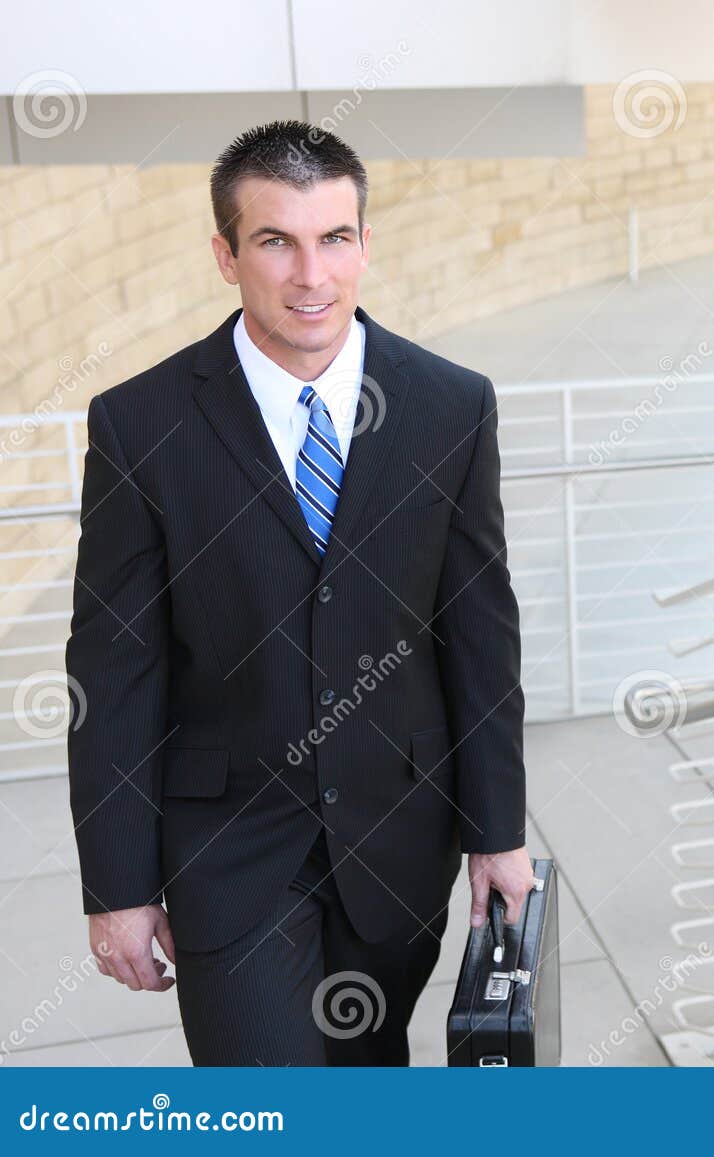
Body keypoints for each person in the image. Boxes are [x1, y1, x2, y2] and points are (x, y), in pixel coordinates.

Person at [64, 121, 534, 1066]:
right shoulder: (140, 423)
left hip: (398, 839)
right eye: (276, 241)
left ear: (366, 243)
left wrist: (497, 831)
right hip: (229, 850)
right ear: (226, 256)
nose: (311, 276)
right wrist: (115, 882)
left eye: (336, 239)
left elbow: (478, 631)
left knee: (366, 1072)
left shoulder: (450, 406)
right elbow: (114, 666)